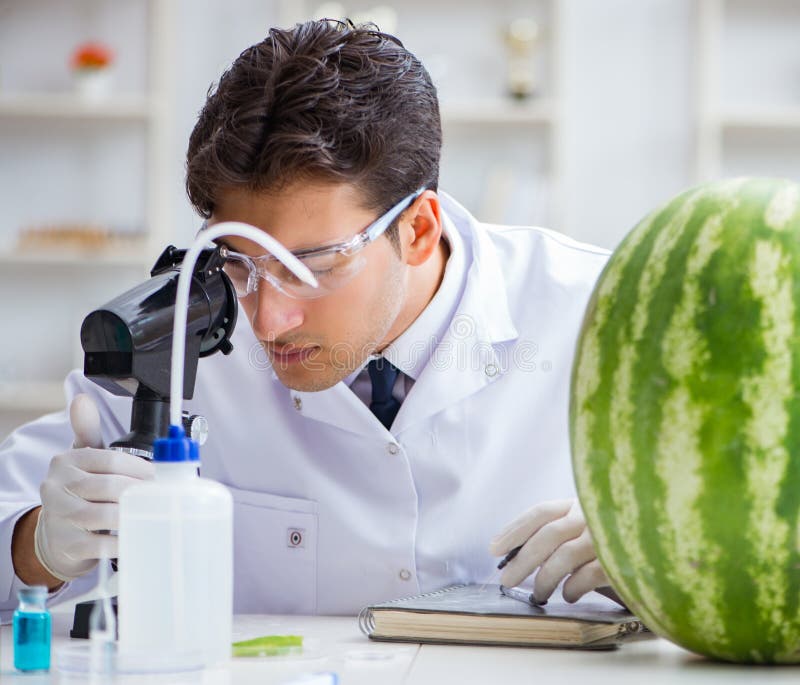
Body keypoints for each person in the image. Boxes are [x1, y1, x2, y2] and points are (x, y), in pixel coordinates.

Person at [0, 20, 613, 618]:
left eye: (311, 264)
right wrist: (39, 547)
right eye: (240, 261)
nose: (267, 320)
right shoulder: (188, 333)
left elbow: (711, 564)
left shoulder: (601, 312)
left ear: (418, 230)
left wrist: (657, 565)